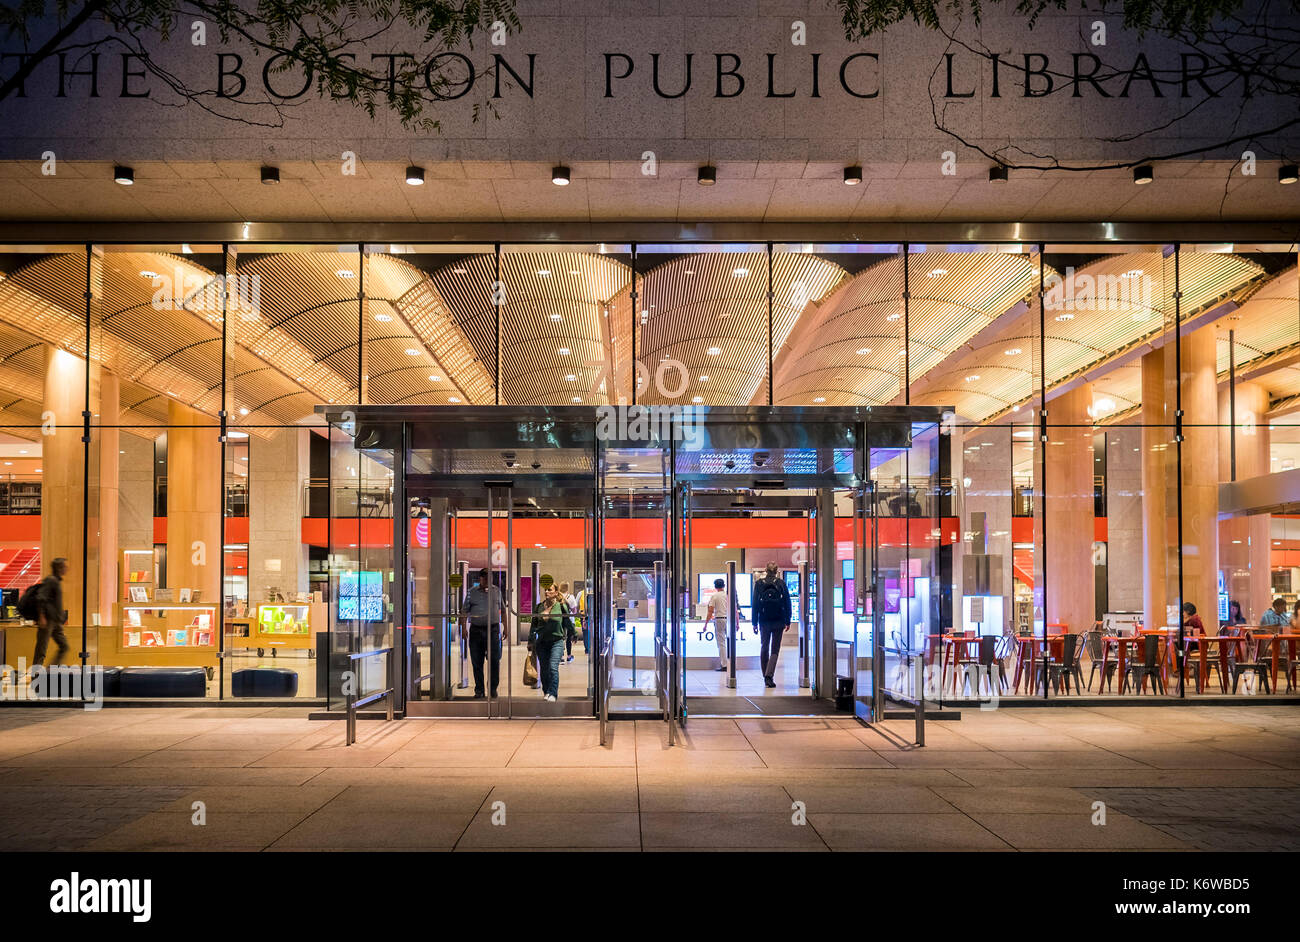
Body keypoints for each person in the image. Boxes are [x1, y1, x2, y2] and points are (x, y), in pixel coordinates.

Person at [460, 568, 505, 699]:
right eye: (484, 577)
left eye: (489, 577)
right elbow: (464, 611)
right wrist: (463, 628)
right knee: (477, 661)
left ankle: (492, 688)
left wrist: (506, 628)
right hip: (476, 630)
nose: (486, 580)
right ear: (480, 578)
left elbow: (503, 609)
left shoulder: (497, 591)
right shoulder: (471, 592)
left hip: (493, 629)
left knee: (494, 660)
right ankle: (479, 690)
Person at [752, 561, 792, 688]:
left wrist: (754, 622)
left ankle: (765, 675)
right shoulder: (781, 583)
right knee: (775, 649)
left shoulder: (759, 584)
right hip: (778, 620)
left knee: (764, 646)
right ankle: (769, 675)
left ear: (766, 570)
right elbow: (787, 602)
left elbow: (755, 604)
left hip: (763, 620)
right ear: (776, 571)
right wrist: (787, 620)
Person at [31, 557, 70, 674]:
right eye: (64, 566)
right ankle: (36, 675)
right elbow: (40, 598)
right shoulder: (51, 580)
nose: (66, 569)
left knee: (64, 646)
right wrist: (41, 616)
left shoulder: (56, 581)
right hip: (47, 621)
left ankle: (49, 672)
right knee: (41, 650)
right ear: (59, 568)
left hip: (55, 622)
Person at [531, 584, 568, 701]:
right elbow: (533, 625)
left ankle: (553, 693)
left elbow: (566, 622)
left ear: (556, 592)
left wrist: (574, 633)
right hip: (541, 642)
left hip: (556, 642)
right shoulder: (539, 607)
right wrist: (530, 641)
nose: (547, 592)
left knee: (553, 667)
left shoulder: (561, 607)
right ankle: (546, 691)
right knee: (544, 669)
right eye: (545, 590)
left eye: (550, 590)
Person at [704, 577, 729, 671]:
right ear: (724, 586)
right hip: (729, 620)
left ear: (715, 586)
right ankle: (731, 664)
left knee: (721, 643)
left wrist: (706, 624)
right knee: (730, 642)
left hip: (719, 619)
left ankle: (724, 665)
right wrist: (737, 623)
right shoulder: (728, 595)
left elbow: (710, 611)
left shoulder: (714, 596)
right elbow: (735, 609)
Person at [559, 581, 577, 662]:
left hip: (559, 620)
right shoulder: (571, 597)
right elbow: (574, 611)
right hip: (569, 620)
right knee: (569, 638)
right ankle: (569, 656)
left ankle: (561, 657)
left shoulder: (557, 597)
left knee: (561, 638)